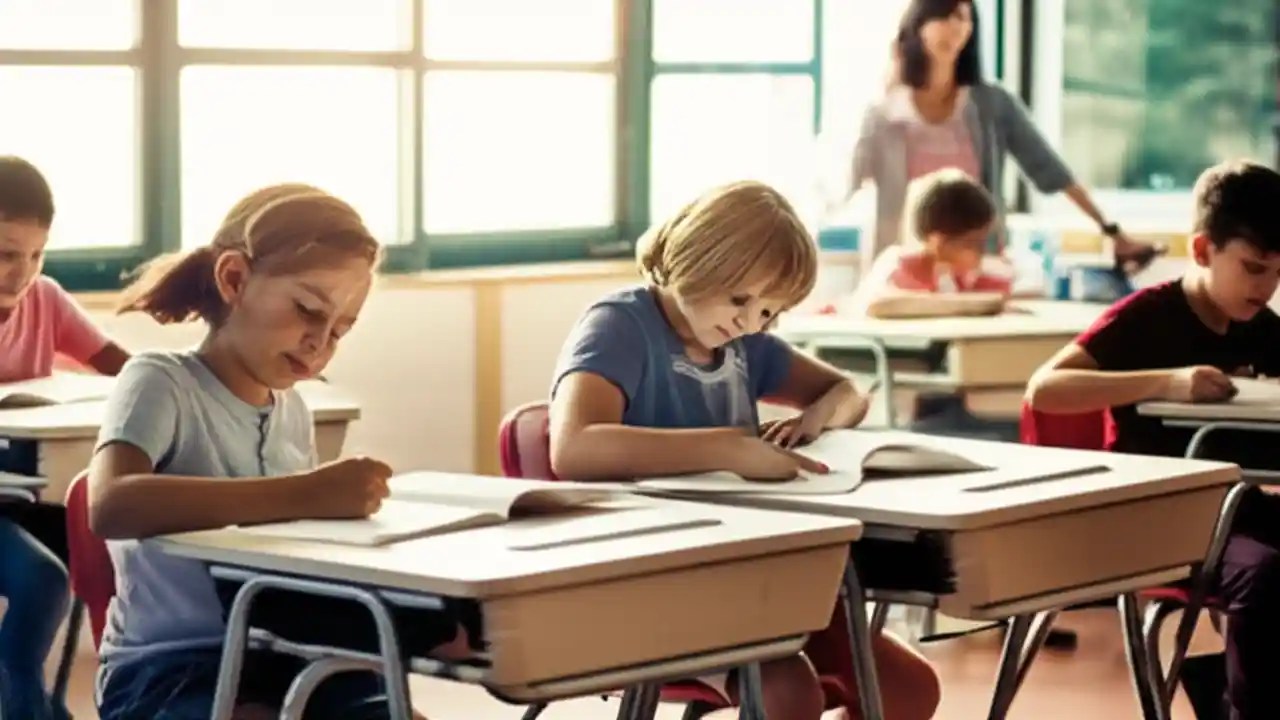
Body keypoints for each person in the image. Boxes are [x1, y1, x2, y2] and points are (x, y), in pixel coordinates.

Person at [549, 179, 942, 720]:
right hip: (651, 588)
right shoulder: (619, 326)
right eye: (740, 299)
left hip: (755, 577)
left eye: (769, 312)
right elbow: (573, 447)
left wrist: (816, 417)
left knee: (909, 688)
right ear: (696, 260)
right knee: (788, 694)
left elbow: (847, 392)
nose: (749, 321)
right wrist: (729, 450)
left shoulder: (742, 343)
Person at [89, 184, 470, 720]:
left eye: (340, 330)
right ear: (234, 279)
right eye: (308, 310)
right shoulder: (160, 381)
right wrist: (306, 494)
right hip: (169, 668)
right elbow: (112, 505)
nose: (320, 342)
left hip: (287, 654)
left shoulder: (294, 412)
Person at [1025, 160, 1280, 720]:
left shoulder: (1263, 328)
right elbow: (1045, 389)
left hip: (1236, 509)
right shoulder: (1147, 317)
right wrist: (1167, 383)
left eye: (1278, 273)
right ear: (1202, 250)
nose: (1266, 288)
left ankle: (1219, 687)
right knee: (1266, 579)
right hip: (1155, 518)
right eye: (1253, 268)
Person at [842, 0, 1161, 280]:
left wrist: (1112, 232)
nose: (953, 27)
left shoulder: (991, 105)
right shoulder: (885, 114)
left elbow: (1050, 169)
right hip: (904, 272)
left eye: (963, 17)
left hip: (977, 267)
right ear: (918, 25)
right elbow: (847, 182)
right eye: (943, 16)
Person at [0, 155, 129, 720]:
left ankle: (32, 704)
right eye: (6, 254)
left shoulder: (45, 298)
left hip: (29, 497)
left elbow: (128, 370)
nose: (23, 273)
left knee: (124, 551)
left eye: (36, 254)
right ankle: (28, 706)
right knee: (42, 579)